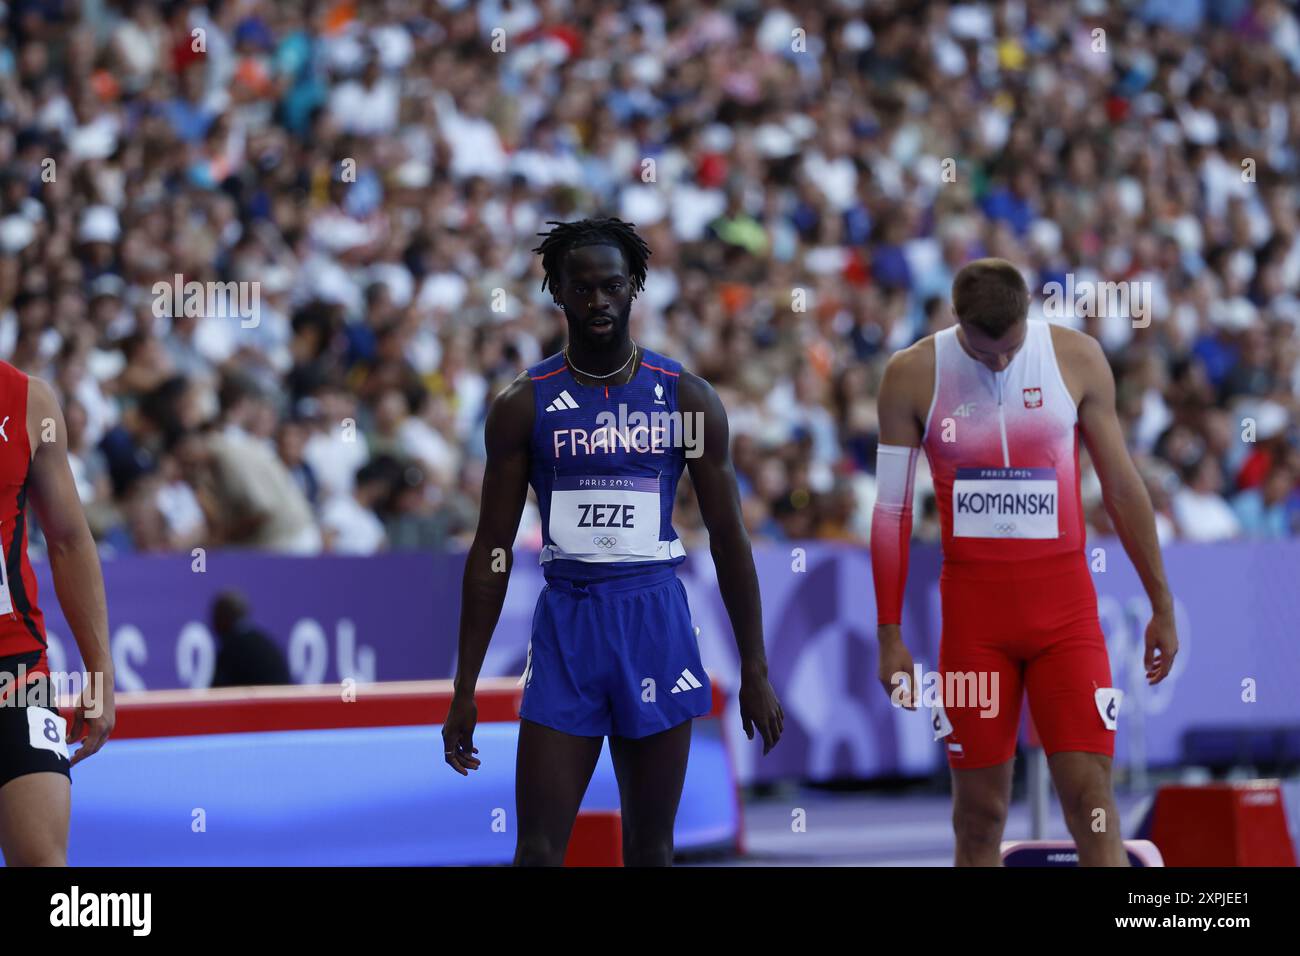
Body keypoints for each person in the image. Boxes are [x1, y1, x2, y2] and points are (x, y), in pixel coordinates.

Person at [443, 217, 783, 866]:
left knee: (651, 852)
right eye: (582, 288)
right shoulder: (523, 405)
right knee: (537, 852)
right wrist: (466, 685)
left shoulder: (686, 399)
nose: (598, 300)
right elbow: (490, 550)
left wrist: (756, 669)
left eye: (612, 286)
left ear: (634, 288)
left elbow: (730, 538)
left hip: (655, 623)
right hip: (569, 627)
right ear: (557, 292)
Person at [871, 259, 1178, 867]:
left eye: (1012, 348)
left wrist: (1161, 603)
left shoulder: (1077, 358)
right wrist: (889, 635)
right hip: (974, 627)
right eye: (985, 353)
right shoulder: (911, 375)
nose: (1001, 363)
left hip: (1066, 617)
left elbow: (1122, 487)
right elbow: (890, 512)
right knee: (979, 817)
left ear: (1028, 316)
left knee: (1092, 805)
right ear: (957, 321)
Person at [0, 361, 114, 866]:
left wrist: (100, 672)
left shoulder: (30, 402)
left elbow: (68, 540)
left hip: (15, 667)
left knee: (43, 858)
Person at [210, 591, 291, 688]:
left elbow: (218, 692)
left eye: (216, 616)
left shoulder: (232, 650)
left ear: (224, 617)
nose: (213, 622)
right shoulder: (262, 641)